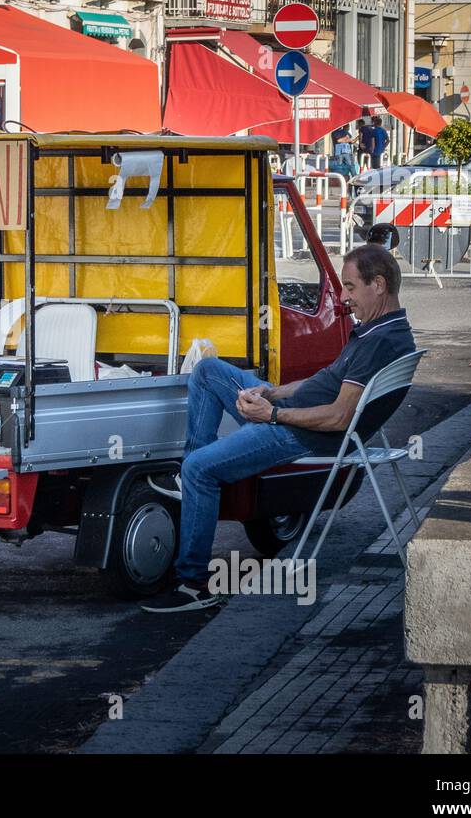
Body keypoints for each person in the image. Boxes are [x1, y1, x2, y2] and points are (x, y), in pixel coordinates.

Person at [141, 245, 416, 613]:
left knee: (199, 470)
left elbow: (338, 418)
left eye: (350, 287)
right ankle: (195, 485)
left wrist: (272, 414)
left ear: (378, 285)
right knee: (208, 372)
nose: (345, 298)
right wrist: (268, 391)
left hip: (302, 434)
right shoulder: (377, 330)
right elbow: (324, 380)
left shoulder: (380, 341)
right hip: (288, 414)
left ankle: (194, 584)